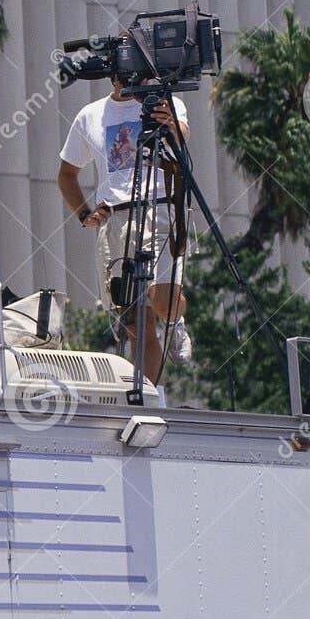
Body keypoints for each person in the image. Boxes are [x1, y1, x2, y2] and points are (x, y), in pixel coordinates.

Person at [57, 77, 193, 396]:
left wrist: (170, 122)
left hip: (159, 206)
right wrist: (83, 213)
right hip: (115, 216)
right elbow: (66, 174)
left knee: (163, 299)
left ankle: (175, 323)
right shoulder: (90, 115)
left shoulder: (160, 101)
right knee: (134, 322)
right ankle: (148, 399)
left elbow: (182, 136)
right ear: (112, 72)